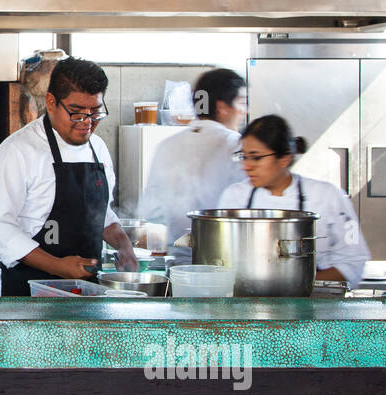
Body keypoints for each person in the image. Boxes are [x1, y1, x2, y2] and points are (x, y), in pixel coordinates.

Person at [0, 57, 138, 297]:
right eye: (76, 113)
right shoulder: (16, 152)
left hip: (85, 296)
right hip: (25, 297)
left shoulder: (98, 148)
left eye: (95, 113)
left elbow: (100, 212)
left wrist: (124, 245)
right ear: (51, 102)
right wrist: (58, 267)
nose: (86, 123)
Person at [217, 114, 370, 284]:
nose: (246, 166)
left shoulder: (328, 196)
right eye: (244, 156)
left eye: (256, 157)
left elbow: (353, 261)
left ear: (284, 158)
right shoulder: (233, 197)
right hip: (246, 300)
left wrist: (294, 287)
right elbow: (220, 260)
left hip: (314, 302)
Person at [138, 68, 247, 257]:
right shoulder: (236, 145)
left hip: (178, 264)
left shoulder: (166, 145)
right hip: (227, 262)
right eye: (242, 102)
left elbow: (151, 211)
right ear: (222, 107)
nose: (246, 111)